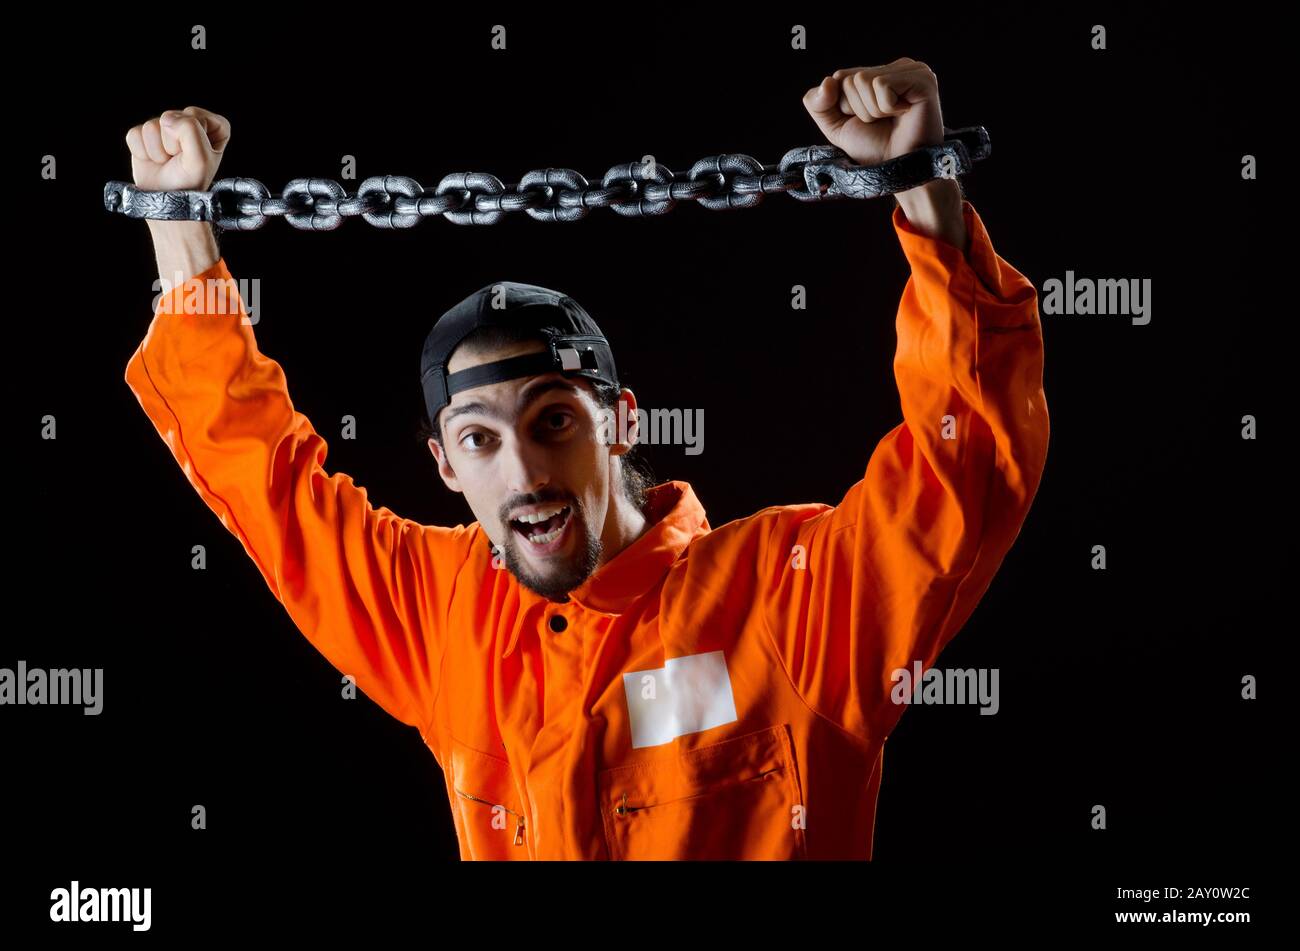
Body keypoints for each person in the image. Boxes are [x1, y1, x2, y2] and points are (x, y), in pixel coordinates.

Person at [123, 57, 1048, 859]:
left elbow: (964, 468)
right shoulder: (443, 621)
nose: (522, 470)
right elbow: (260, 475)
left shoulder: (788, 600)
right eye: (480, 438)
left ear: (621, 423)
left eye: (554, 420)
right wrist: (176, 223)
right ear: (447, 466)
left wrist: (924, 187)